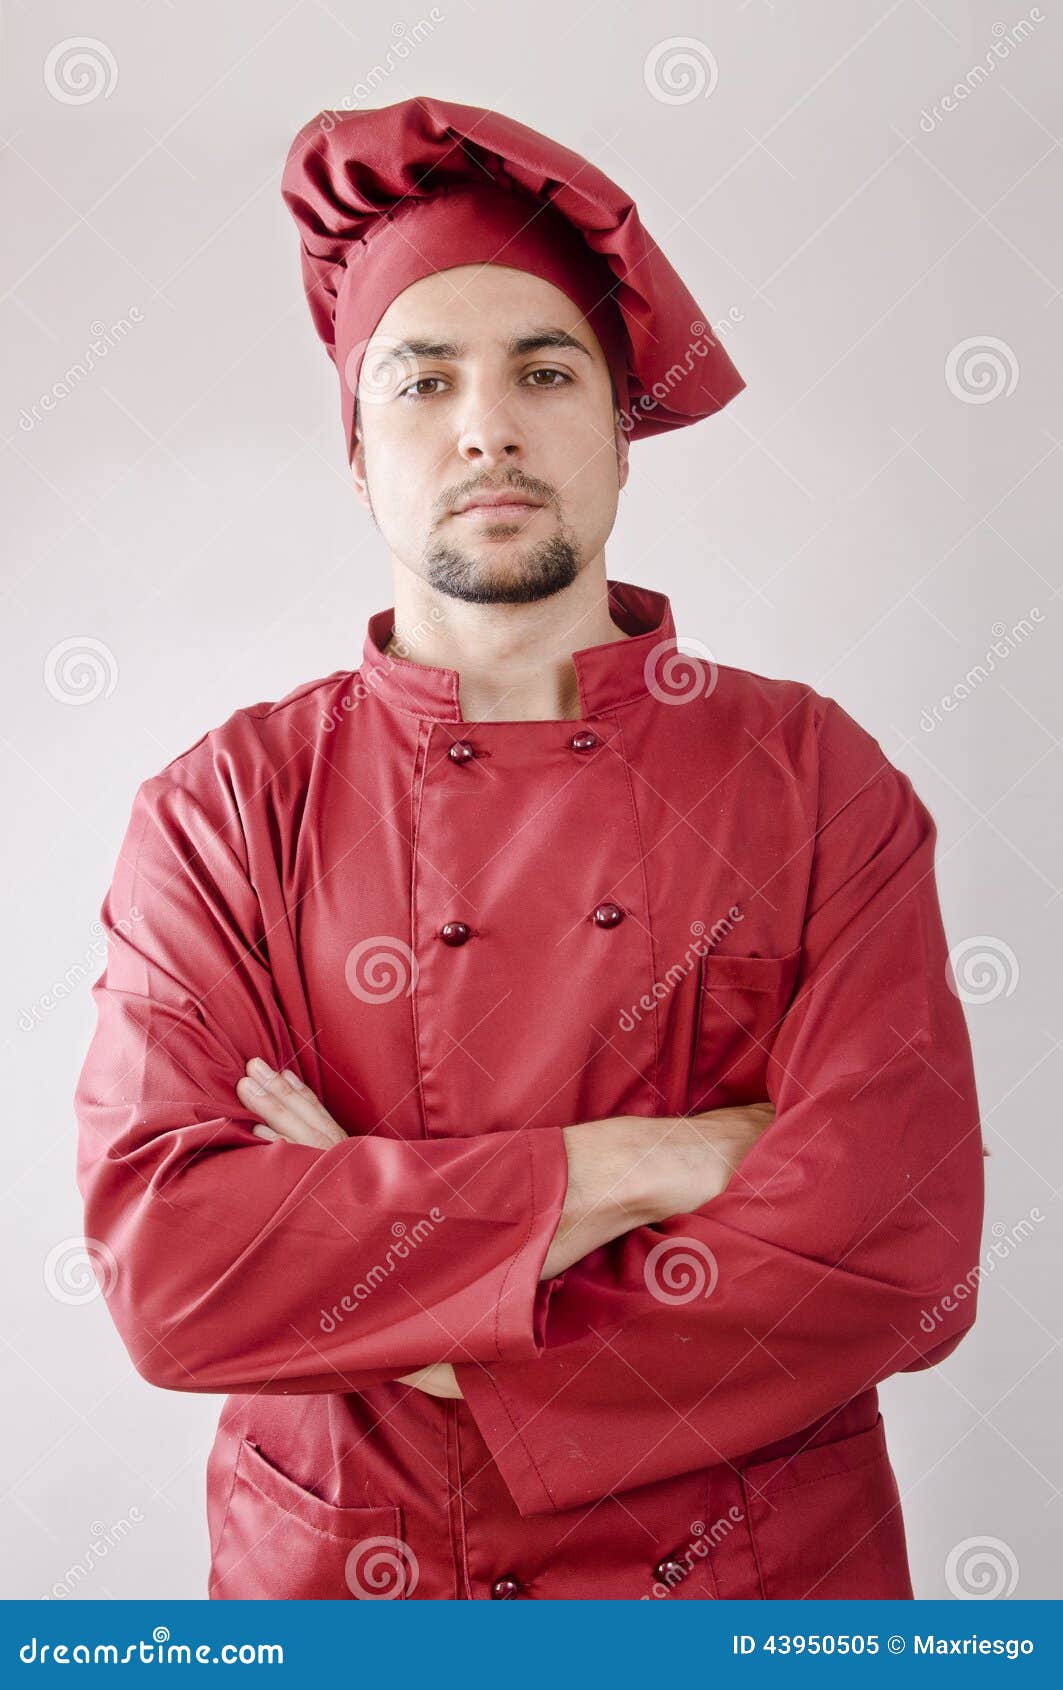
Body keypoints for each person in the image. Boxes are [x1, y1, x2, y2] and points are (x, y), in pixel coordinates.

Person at [74, 96, 984, 1602]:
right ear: (359, 456)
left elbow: (899, 1240)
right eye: (422, 381)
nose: (487, 423)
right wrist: (653, 1160)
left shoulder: (814, 775)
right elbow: (175, 1271)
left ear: (619, 435)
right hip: (351, 1584)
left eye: (544, 370)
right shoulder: (223, 809)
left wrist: (400, 1303)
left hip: (754, 1591)